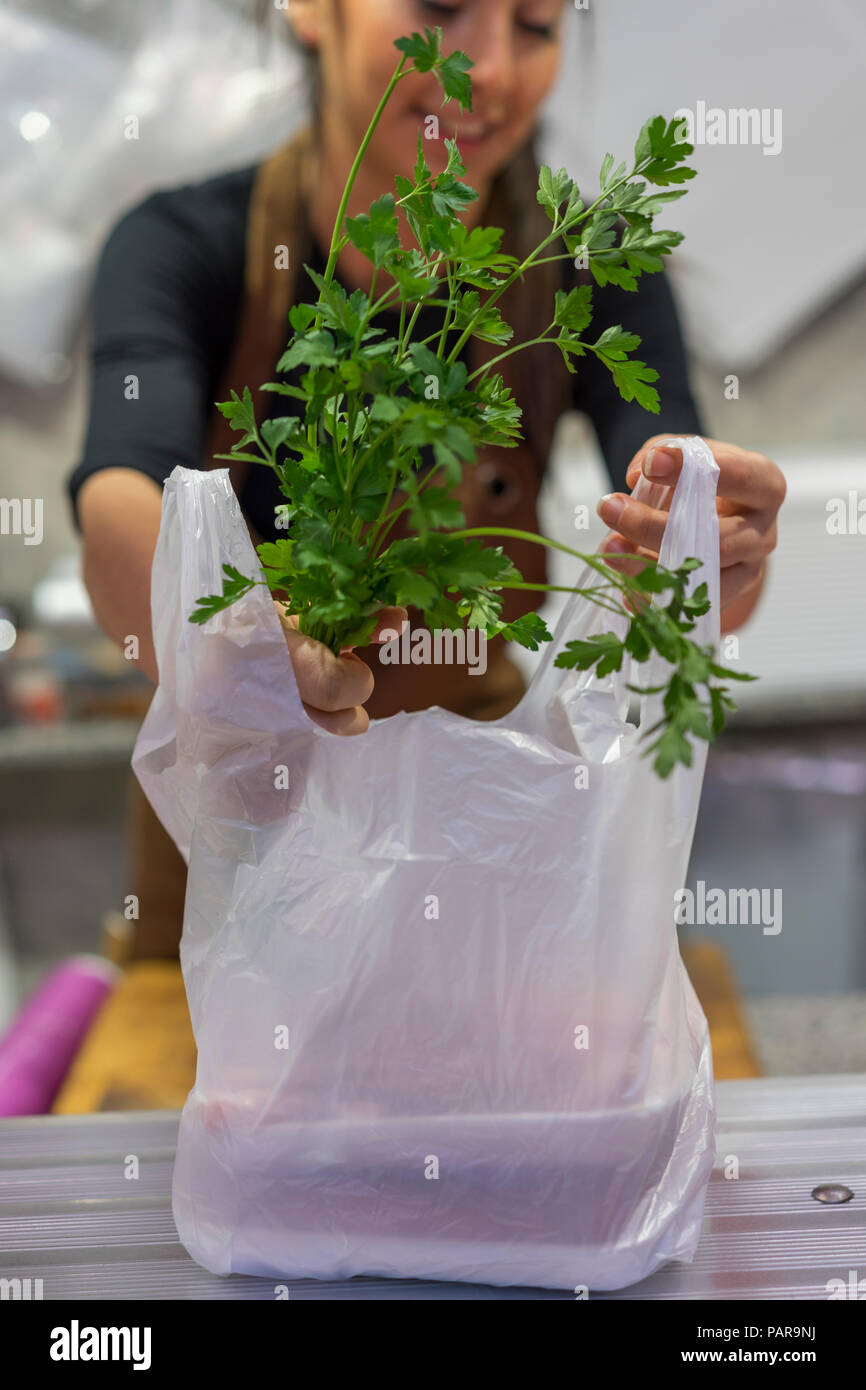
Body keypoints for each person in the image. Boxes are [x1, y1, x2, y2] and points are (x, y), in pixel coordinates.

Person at [67, 0, 785, 953]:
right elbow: (123, 500)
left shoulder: (586, 263)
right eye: (441, 7)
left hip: (476, 811)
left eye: (534, 25)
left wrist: (715, 548)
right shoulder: (182, 246)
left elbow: (686, 512)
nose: (488, 69)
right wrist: (232, 650)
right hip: (237, 823)